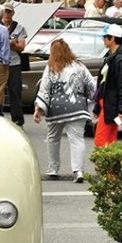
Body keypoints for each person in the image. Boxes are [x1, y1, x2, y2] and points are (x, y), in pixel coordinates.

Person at [33, 38, 94, 182]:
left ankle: (53, 168)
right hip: (77, 109)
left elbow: (44, 89)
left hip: (56, 110)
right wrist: (89, 99)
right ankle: (78, 171)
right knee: (77, 140)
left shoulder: (51, 67)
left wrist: (38, 109)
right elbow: (91, 85)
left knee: (53, 138)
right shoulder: (79, 66)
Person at [93, 24, 122, 147]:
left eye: (105, 37)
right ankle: (110, 166)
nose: (103, 40)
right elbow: (103, 84)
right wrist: (97, 107)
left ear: (112, 38)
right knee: (110, 139)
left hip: (111, 105)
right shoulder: (113, 57)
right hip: (108, 104)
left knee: (101, 140)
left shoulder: (120, 59)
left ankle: (105, 165)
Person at [1, 1, 27, 126]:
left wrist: (12, 44)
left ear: (13, 13)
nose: (6, 14)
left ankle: (17, 120)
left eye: (9, 12)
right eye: (5, 11)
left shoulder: (19, 27)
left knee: (15, 92)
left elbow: (21, 47)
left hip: (14, 63)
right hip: (0, 63)